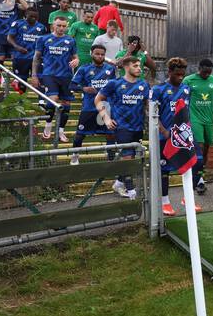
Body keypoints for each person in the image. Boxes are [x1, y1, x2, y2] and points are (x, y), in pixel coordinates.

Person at [95, 56, 151, 199]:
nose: (139, 68)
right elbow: (98, 99)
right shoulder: (114, 83)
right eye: (135, 66)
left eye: (139, 66)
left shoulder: (144, 85)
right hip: (121, 127)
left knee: (132, 156)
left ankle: (119, 183)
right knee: (127, 157)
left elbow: (146, 104)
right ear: (126, 67)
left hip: (138, 127)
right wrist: (106, 118)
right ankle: (131, 191)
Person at [152, 58, 192, 215]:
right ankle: (165, 202)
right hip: (165, 138)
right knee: (165, 169)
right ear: (169, 73)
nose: (181, 77)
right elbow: (152, 114)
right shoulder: (159, 89)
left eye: (183, 74)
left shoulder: (187, 89)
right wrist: (164, 131)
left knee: (187, 166)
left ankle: (188, 200)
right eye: (177, 74)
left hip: (183, 137)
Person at [181, 57, 213, 195]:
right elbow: (181, 98)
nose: (207, 75)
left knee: (205, 149)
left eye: (209, 72)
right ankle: (198, 180)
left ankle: (200, 175)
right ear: (199, 69)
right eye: (205, 72)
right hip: (194, 119)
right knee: (198, 147)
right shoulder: (188, 80)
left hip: (208, 120)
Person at [31, 16, 78, 141]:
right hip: (49, 74)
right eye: (59, 25)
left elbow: (75, 57)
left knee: (67, 103)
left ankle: (61, 131)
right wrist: (34, 75)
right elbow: (36, 58)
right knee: (53, 99)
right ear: (53, 25)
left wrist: (76, 61)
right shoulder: (43, 39)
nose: (61, 28)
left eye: (64, 26)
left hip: (66, 76)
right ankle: (48, 126)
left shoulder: (70, 40)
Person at [69, 42, 116, 163]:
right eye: (97, 54)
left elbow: (115, 86)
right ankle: (74, 157)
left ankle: (111, 159)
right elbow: (72, 85)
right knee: (80, 134)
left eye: (102, 54)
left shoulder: (110, 69)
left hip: (105, 107)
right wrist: (84, 88)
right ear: (91, 54)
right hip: (89, 107)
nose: (100, 56)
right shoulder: (84, 69)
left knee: (110, 133)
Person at [6, 7, 47, 91]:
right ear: (26, 14)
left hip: (35, 59)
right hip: (20, 57)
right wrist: (17, 47)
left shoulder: (41, 27)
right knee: (21, 82)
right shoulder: (17, 23)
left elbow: (44, 43)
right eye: (31, 16)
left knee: (40, 80)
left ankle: (41, 102)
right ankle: (20, 100)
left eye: (36, 17)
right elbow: (9, 37)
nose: (34, 18)